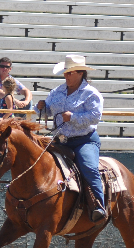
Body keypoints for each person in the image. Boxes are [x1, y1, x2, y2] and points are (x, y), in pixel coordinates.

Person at [36, 54, 106, 222]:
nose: (66, 76)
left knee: (88, 167)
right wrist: (40, 108)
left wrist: (72, 117)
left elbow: (95, 117)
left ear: (80, 73)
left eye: (70, 73)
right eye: (65, 73)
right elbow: (46, 111)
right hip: (60, 140)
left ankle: (99, 205)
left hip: (84, 140)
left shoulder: (91, 94)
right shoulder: (57, 92)